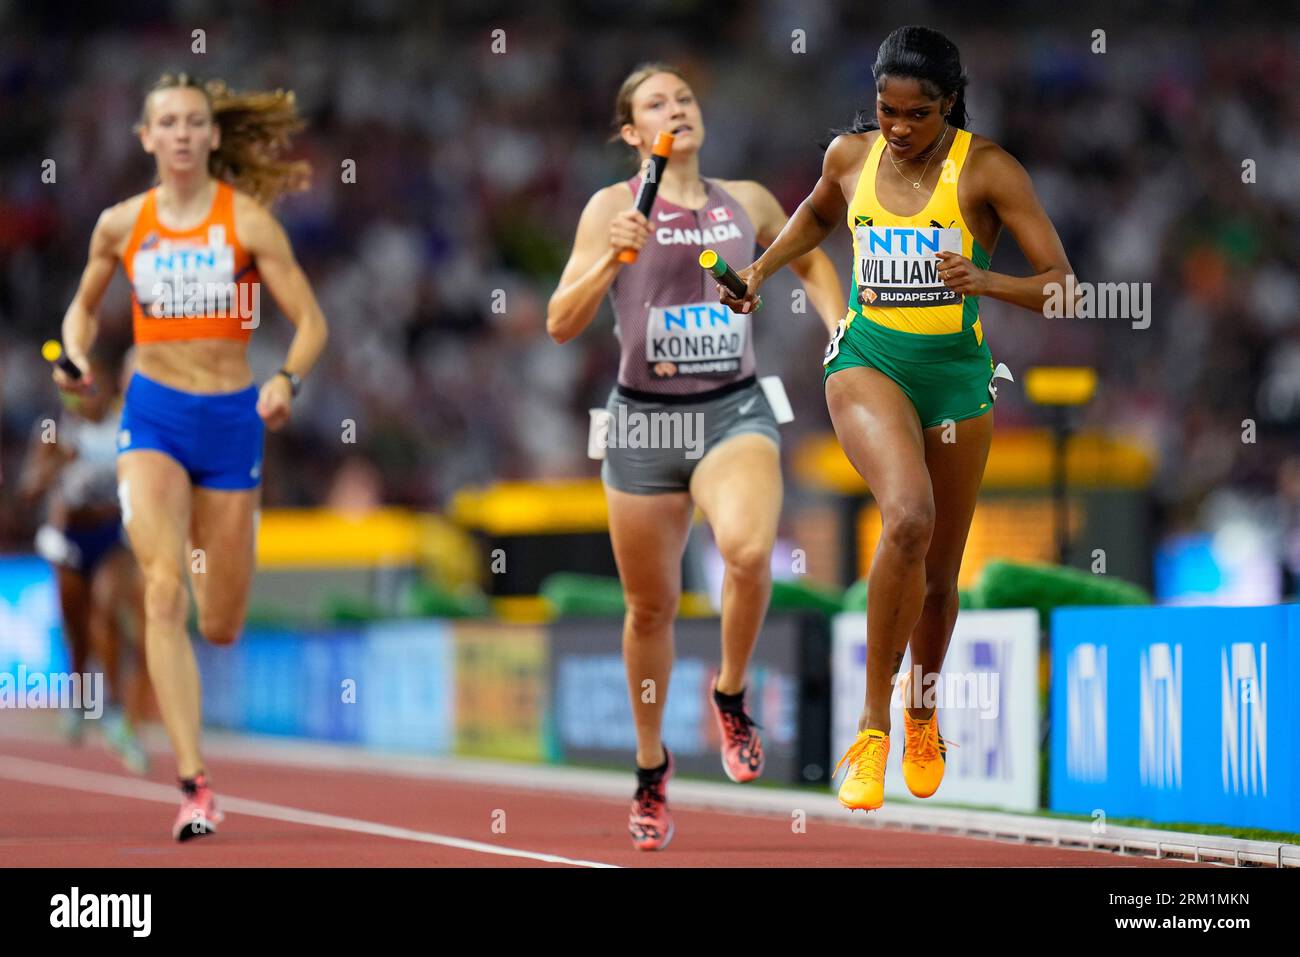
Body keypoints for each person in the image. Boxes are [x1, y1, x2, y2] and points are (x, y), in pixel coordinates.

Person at [719, 26, 1075, 812]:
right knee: (908, 516)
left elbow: (1064, 287)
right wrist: (759, 270)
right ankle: (872, 726)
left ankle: (921, 710)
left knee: (941, 577)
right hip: (868, 362)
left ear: (950, 104)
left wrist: (987, 280)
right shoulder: (850, 157)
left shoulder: (987, 170)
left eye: (918, 114)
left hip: (957, 381)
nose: (900, 127)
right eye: (888, 110)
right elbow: (815, 216)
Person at [548, 64, 845, 850]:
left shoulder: (746, 201)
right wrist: (609, 260)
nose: (676, 108)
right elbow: (559, 322)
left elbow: (811, 257)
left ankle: (731, 692)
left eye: (684, 97)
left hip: (731, 409)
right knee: (650, 609)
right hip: (643, 423)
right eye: (657, 103)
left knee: (747, 550)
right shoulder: (610, 208)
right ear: (631, 132)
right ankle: (651, 768)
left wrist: (839, 324)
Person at [52, 73, 328, 840]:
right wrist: (74, 355)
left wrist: (286, 379)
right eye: (166, 122)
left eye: (193, 122)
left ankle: (221, 558)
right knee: (163, 592)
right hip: (154, 418)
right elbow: (81, 310)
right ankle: (194, 784)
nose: (180, 133)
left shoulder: (247, 221)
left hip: (233, 419)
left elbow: (311, 323)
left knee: (223, 622)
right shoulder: (121, 224)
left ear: (212, 136)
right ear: (146, 137)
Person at [21, 345, 151, 773]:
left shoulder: (125, 424)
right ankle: (80, 698)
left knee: (107, 610)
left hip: (111, 534)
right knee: (77, 628)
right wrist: (56, 464)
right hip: (69, 538)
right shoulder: (54, 428)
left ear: (110, 387)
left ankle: (112, 706)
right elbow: (28, 489)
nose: (89, 392)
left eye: (97, 383)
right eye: (81, 385)